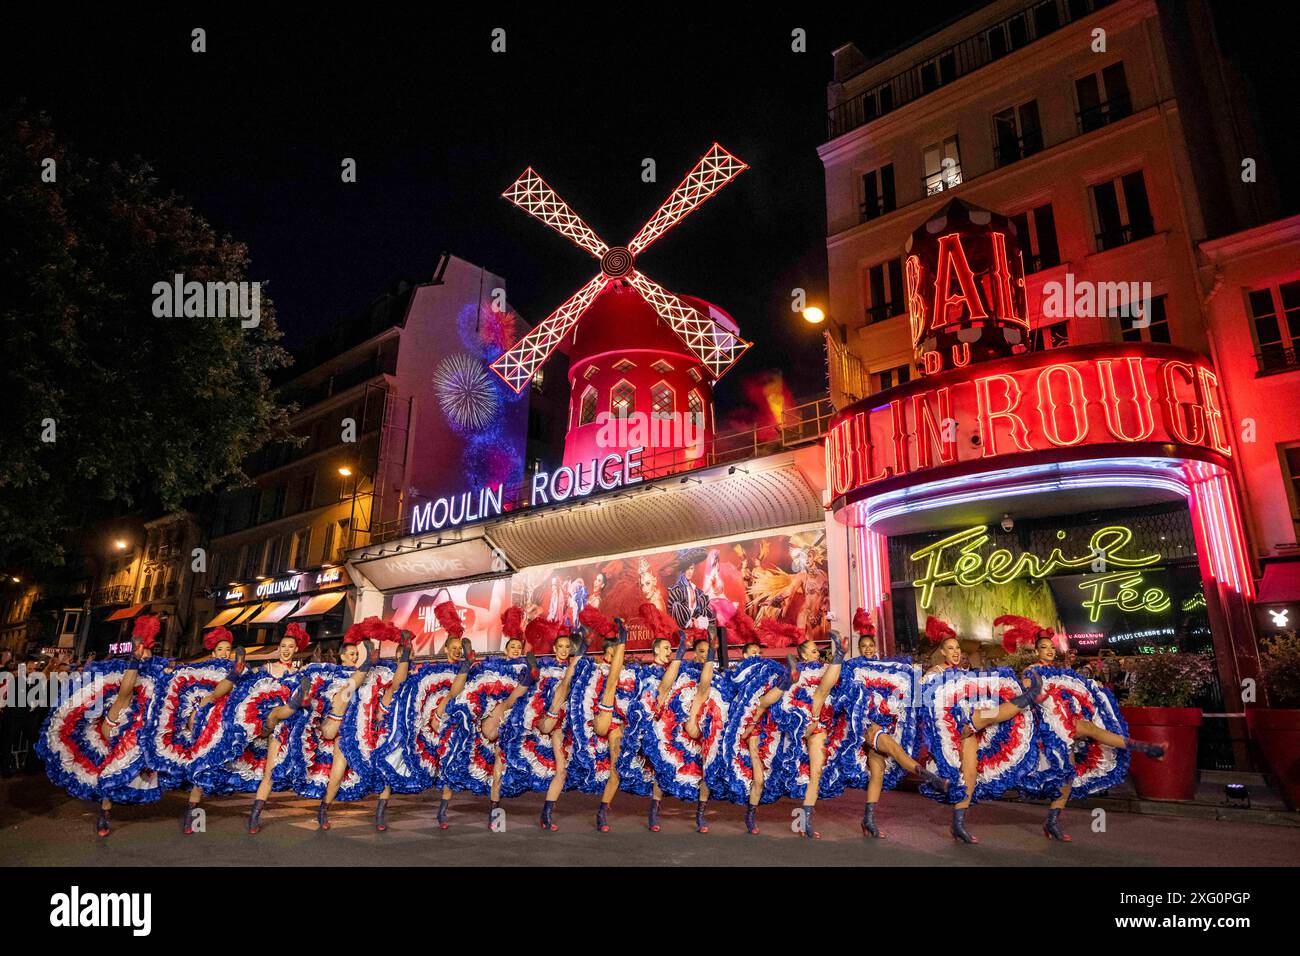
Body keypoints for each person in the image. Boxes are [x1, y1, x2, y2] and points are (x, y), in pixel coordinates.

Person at [996, 615, 1162, 841]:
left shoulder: (1059, 670)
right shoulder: (1032, 670)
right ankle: (1144, 747)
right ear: (1037, 651)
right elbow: (1026, 695)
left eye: (1051, 647)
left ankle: (1052, 821)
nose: (1049, 651)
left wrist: (1094, 687)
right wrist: (1037, 692)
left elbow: (1073, 691)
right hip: (1048, 728)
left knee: (1085, 744)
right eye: (1044, 648)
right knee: (1069, 767)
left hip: (1066, 722)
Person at [919, 616, 1043, 844]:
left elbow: (979, 695)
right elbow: (926, 706)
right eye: (951, 649)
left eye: (957, 648)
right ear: (942, 652)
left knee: (971, 774)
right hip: (952, 730)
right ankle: (1026, 698)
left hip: (972, 726)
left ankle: (958, 824)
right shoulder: (933, 675)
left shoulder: (966, 673)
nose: (956, 652)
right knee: (989, 715)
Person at [840, 608, 948, 839]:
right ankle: (929, 777)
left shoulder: (888, 668)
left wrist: (926, 677)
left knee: (877, 773)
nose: (868, 649)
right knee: (896, 750)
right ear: (859, 649)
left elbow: (907, 682)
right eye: (864, 647)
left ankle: (868, 820)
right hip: (866, 726)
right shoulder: (853, 668)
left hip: (884, 726)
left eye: (871, 646)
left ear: (876, 647)